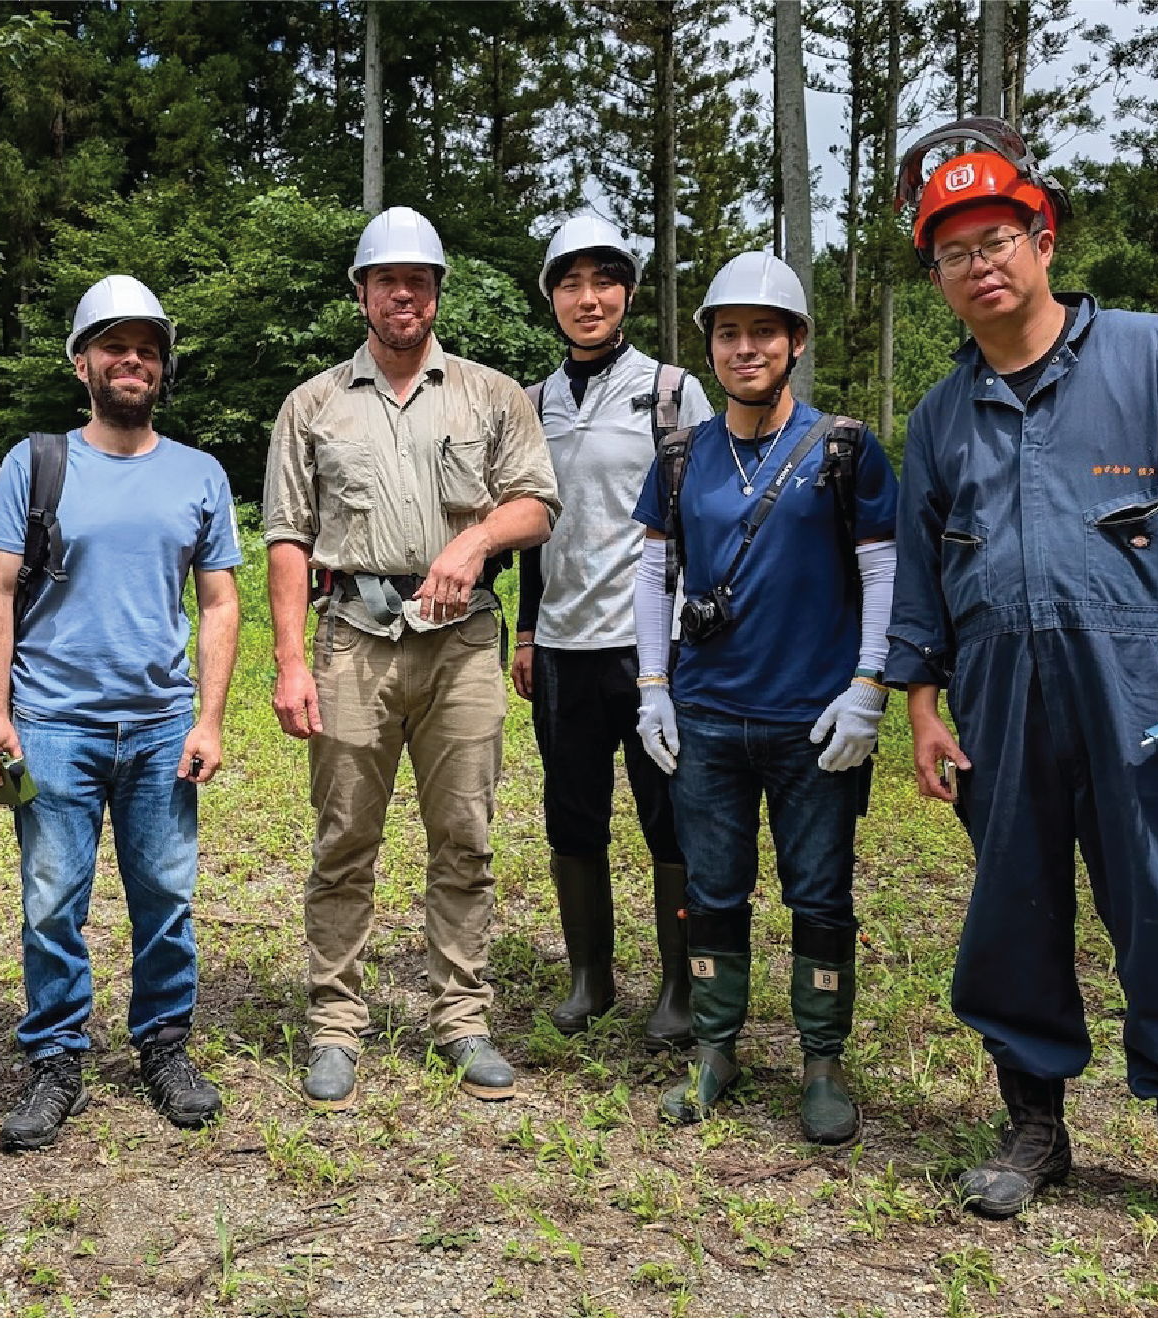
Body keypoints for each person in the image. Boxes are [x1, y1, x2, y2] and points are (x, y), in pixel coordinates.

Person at [887, 118, 1158, 1264]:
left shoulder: (1147, 354)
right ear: (939, 275)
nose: (979, 265)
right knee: (1012, 905)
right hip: (1001, 694)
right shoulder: (940, 415)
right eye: (953, 252)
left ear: (1042, 237)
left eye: (997, 237)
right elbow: (921, 579)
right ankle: (1032, 1125)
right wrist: (919, 700)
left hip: (1141, 685)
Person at [263, 206, 560, 1109]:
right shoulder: (312, 405)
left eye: (419, 281)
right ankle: (334, 1023)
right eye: (387, 280)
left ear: (436, 293)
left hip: (462, 641)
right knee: (344, 838)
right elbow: (284, 535)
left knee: (463, 836)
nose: (405, 294)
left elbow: (535, 505)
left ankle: (461, 1014)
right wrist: (288, 661)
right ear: (360, 293)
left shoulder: (490, 395)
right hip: (352, 638)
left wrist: (471, 547)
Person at [0, 275, 242, 1152]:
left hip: (162, 726)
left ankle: (163, 1044)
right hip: (52, 723)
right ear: (81, 361)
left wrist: (209, 719)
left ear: (161, 367)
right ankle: (54, 1058)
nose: (132, 360)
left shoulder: (199, 473)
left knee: (165, 896)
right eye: (114, 345)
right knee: (51, 902)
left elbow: (222, 603)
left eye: (147, 348)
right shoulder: (35, 462)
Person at [629, 251, 900, 1144]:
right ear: (709, 345)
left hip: (811, 717)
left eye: (763, 332)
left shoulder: (843, 450)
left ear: (794, 343)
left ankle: (821, 1060)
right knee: (713, 886)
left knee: (819, 892)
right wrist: (652, 688)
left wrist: (867, 686)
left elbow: (881, 567)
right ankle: (716, 1047)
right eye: (728, 332)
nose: (745, 348)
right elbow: (653, 571)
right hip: (705, 715)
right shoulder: (681, 456)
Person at [513, 215, 711, 1047]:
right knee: (572, 813)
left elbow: (704, 514)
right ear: (550, 297)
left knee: (669, 815)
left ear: (627, 292)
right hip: (561, 644)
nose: (586, 298)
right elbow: (527, 524)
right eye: (569, 283)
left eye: (602, 281)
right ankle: (590, 975)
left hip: (650, 647)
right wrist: (524, 632)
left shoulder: (671, 391)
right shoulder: (529, 402)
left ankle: (677, 983)